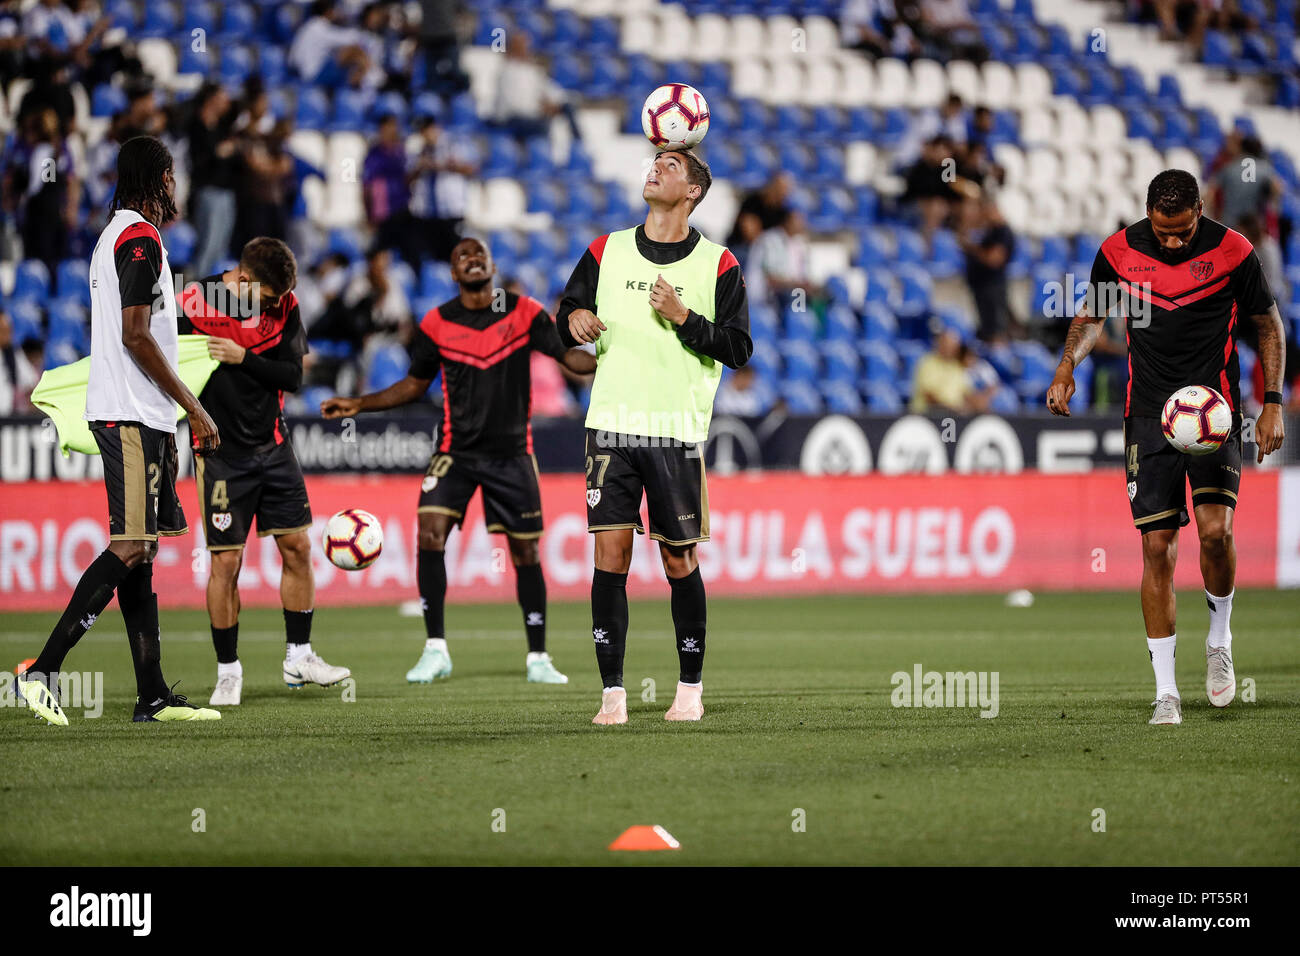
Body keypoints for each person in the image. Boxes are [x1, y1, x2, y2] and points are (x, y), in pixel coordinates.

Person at [1047, 169, 1286, 726]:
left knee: (1215, 532)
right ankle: (1166, 692)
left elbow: (1268, 324)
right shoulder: (1119, 251)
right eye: (1163, 231)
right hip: (1150, 415)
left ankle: (1220, 637)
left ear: (1199, 211)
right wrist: (1066, 367)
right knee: (1156, 548)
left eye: (1181, 231)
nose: (1172, 241)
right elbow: (1092, 315)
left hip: (1215, 410)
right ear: (1148, 215)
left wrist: (1271, 400)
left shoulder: (1233, 250)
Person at [321, 238, 596, 685]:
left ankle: (539, 657)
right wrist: (360, 404)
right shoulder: (437, 322)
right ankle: (435, 649)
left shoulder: (523, 311)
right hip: (455, 452)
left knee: (525, 551)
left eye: (479, 254)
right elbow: (413, 385)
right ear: (453, 274)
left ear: (491, 264)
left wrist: (607, 359)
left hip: (512, 454)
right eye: (461, 256)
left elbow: (567, 357)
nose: (471, 259)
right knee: (429, 533)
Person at [15, 136, 222, 725]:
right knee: (130, 545)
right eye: (172, 177)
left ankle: (151, 694)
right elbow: (136, 335)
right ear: (158, 179)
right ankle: (43, 671)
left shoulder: (115, 235)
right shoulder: (138, 238)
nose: (176, 187)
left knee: (143, 554)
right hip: (132, 415)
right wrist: (194, 406)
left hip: (141, 414)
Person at [557, 148, 752, 724]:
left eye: (670, 166)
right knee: (609, 555)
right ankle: (612, 694)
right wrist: (573, 321)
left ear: (692, 191)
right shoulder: (606, 248)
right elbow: (567, 312)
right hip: (610, 423)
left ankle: (689, 689)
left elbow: (739, 349)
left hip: (673, 429)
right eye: (654, 162)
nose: (654, 169)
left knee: (678, 560)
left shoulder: (718, 264)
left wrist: (684, 317)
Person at [177, 238, 349, 706]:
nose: (277, 304)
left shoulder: (286, 304)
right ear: (245, 280)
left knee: (297, 546)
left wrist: (243, 357)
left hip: (273, 446)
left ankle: (300, 655)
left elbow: (293, 377)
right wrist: (187, 412)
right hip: (219, 454)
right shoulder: (193, 301)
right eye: (269, 297)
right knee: (227, 563)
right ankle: (228, 671)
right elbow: (165, 365)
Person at [909, 326, 970, 413]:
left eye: (953, 346)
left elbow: (966, 394)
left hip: (953, 417)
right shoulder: (927, 363)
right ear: (939, 344)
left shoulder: (957, 366)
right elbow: (929, 396)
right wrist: (951, 408)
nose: (949, 349)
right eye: (946, 345)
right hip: (928, 416)